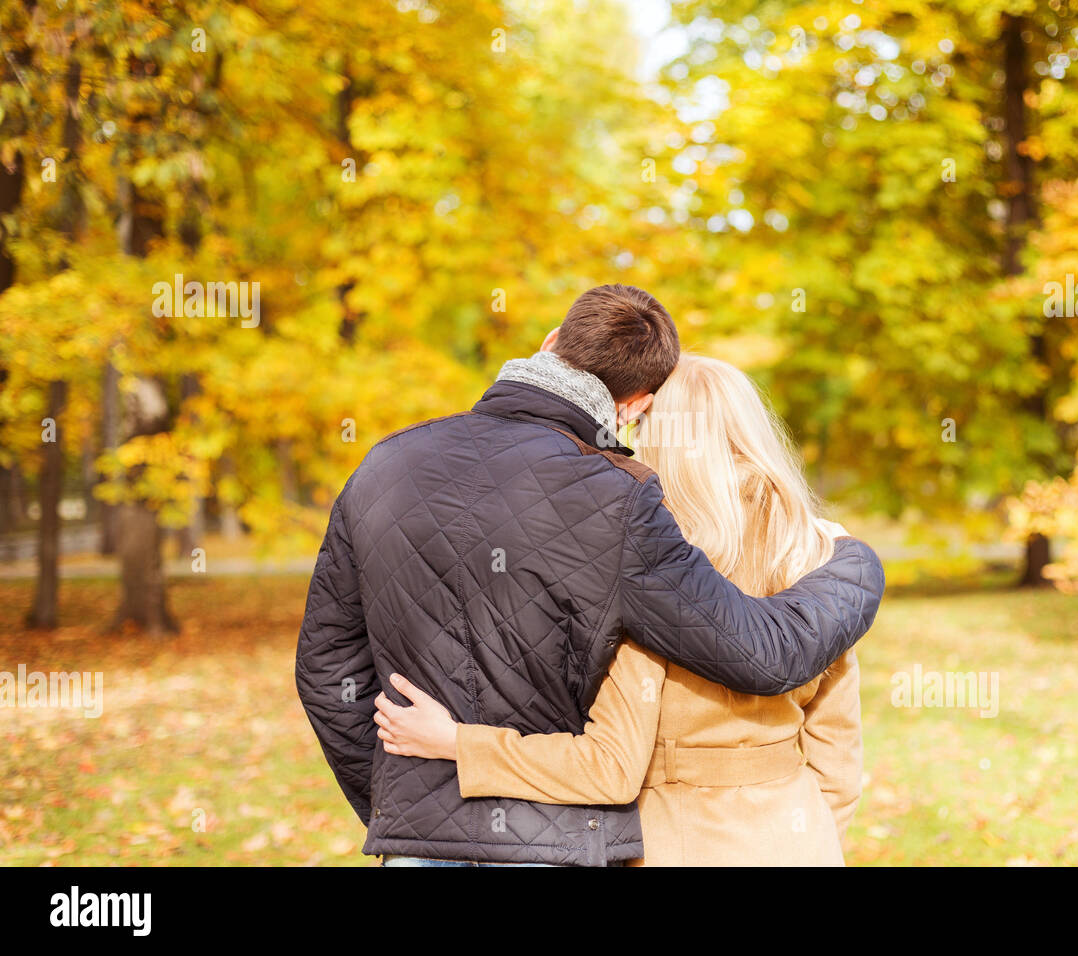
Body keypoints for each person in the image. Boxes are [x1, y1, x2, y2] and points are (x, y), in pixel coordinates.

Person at [296, 284, 884, 866]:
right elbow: (759, 654)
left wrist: (403, 804)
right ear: (633, 408)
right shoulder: (619, 501)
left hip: (418, 836)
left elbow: (326, 670)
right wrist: (855, 566)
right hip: (554, 837)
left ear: (550, 341)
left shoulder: (383, 465)